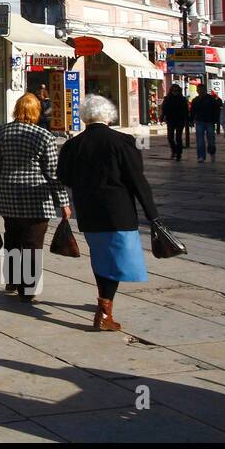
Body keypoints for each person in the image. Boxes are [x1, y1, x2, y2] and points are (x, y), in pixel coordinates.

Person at [57, 94, 159, 332]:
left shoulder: (73, 145)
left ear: (85, 117)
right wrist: (152, 214)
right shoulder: (122, 141)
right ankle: (104, 310)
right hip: (118, 209)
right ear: (109, 116)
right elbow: (137, 179)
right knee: (116, 259)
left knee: (101, 255)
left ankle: (104, 305)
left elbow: (64, 177)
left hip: (88, 210)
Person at [0, 93, 72, 302]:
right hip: (36, 197)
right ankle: (28, 288)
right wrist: (63, 202)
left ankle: (13, 280)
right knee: (33, 243)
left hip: (8, 195)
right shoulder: (44, 136)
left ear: (17, 109)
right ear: (36, 111)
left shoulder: (0, 133)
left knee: (12, 238)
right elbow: (52, 173)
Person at [191, 87, 222, 163]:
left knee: (211, 139)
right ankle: (201, 156)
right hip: (199, 121)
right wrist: (191, 120)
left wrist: (215, 120)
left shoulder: (211, 99)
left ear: (205, 90)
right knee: (200, 140)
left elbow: (216, 109)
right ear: (197, 91)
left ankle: (212, 152)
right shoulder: (195, 100)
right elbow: (193, 111)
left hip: (209, 121)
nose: (200, 91)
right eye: (199, 90)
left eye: (202, 90)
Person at [160, 84, 189, 161]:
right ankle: (174, 150)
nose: (175, 92)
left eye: (176, 91)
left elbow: (186, 110)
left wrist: (187, 119)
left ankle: (179, 154)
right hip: (170, 120)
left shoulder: (182, 99)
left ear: (179, 91)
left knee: (178, 137)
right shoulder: (167, 99)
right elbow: (164, 109)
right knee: (170, 137)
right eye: (173, 91)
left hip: (180, 120)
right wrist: (162, 117)